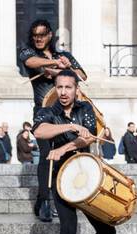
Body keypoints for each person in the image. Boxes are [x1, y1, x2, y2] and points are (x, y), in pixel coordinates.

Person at [33, 70, 118, 234]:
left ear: (76, 89)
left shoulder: (86, 109)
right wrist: (70, 126)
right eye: (59, 87)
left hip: (88, 177)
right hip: (63, 179)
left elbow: (88, 138)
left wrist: (64, 147)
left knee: (106, 230)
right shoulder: (48, 111)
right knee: (68, 231)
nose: (63, 92)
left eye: (68, 87)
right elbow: (39, 131)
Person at [20, 19, 86, 221]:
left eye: (41, 35)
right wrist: (57, 65)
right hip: (44, 113)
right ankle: (44, 201)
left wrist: (60, 69)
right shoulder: (29, 53)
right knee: (47, 155)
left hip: (66, 114)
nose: (38, 38)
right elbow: (31, 63)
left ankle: (60, 199)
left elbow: (81, 76)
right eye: (35, 35)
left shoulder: (64, 55)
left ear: (50, 35)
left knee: (65, 156)